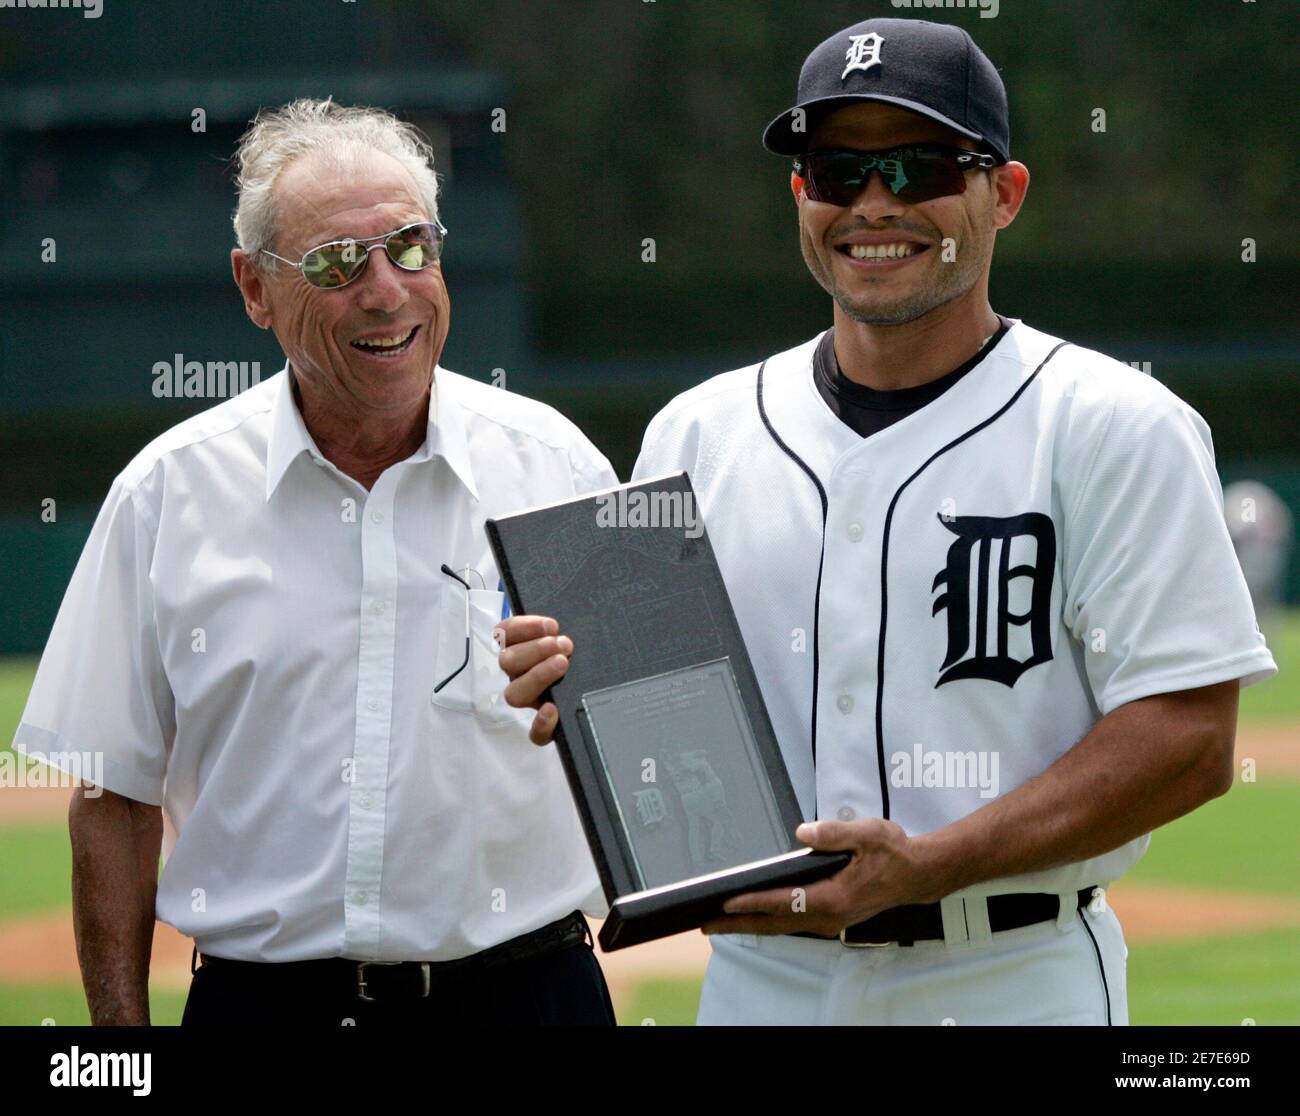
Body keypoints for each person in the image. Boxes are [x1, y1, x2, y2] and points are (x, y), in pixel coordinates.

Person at [497, 18, 1276, 1025]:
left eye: (919, 168)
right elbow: (650, 726)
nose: (873, 203)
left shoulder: (1113, 426)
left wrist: (933, 864)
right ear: (799, 194)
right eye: (837, 169)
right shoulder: (698, 430)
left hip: (1011, 972)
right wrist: (572, 693)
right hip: (756, 984)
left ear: (1004, 193)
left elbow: (1190, 740)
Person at [13, 99, 618, 1026]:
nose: (385, 290)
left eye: (411, 247)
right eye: (337, 263)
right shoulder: (166, 495)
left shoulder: (559, 470)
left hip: (526, 997)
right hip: (262, 1008)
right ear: (254, 288)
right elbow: (112, 799)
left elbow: (652, 734)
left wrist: (599, 700)